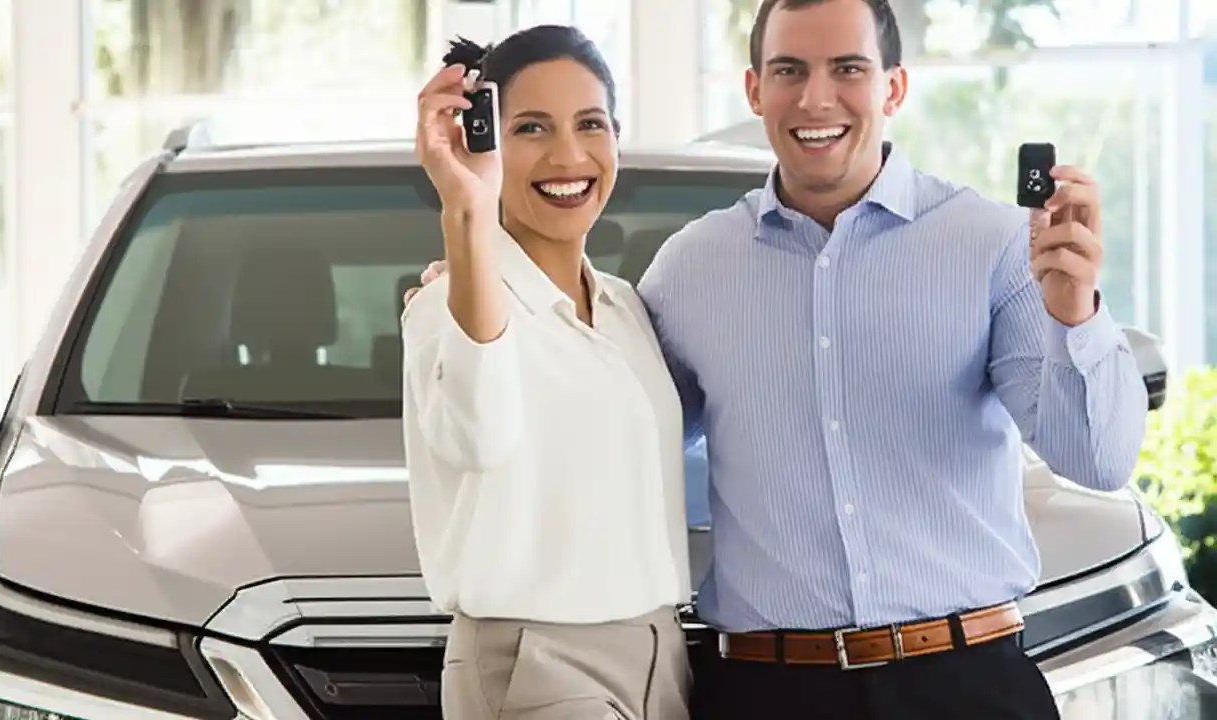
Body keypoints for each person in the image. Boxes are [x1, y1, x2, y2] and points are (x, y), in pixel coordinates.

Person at [409, 2, 1149, 718]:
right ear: (754, 89)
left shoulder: (995, 247)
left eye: (847, 68)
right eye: (789, 69)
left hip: (962, 680)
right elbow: (571, 431)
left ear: (893, 86)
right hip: (765, 688)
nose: (815, 97)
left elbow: (1098, 459)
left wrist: (1075, 316)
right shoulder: (689, 270)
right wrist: (477, 284)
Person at [402, 25, 692, 720]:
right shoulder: (450, 303)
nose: (568, 155)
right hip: (535, 664)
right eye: (531, 128)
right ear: (486, 143)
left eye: (590, 124)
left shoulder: (625, 308)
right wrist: (466, 211)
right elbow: (480, 435)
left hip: (661, 654)